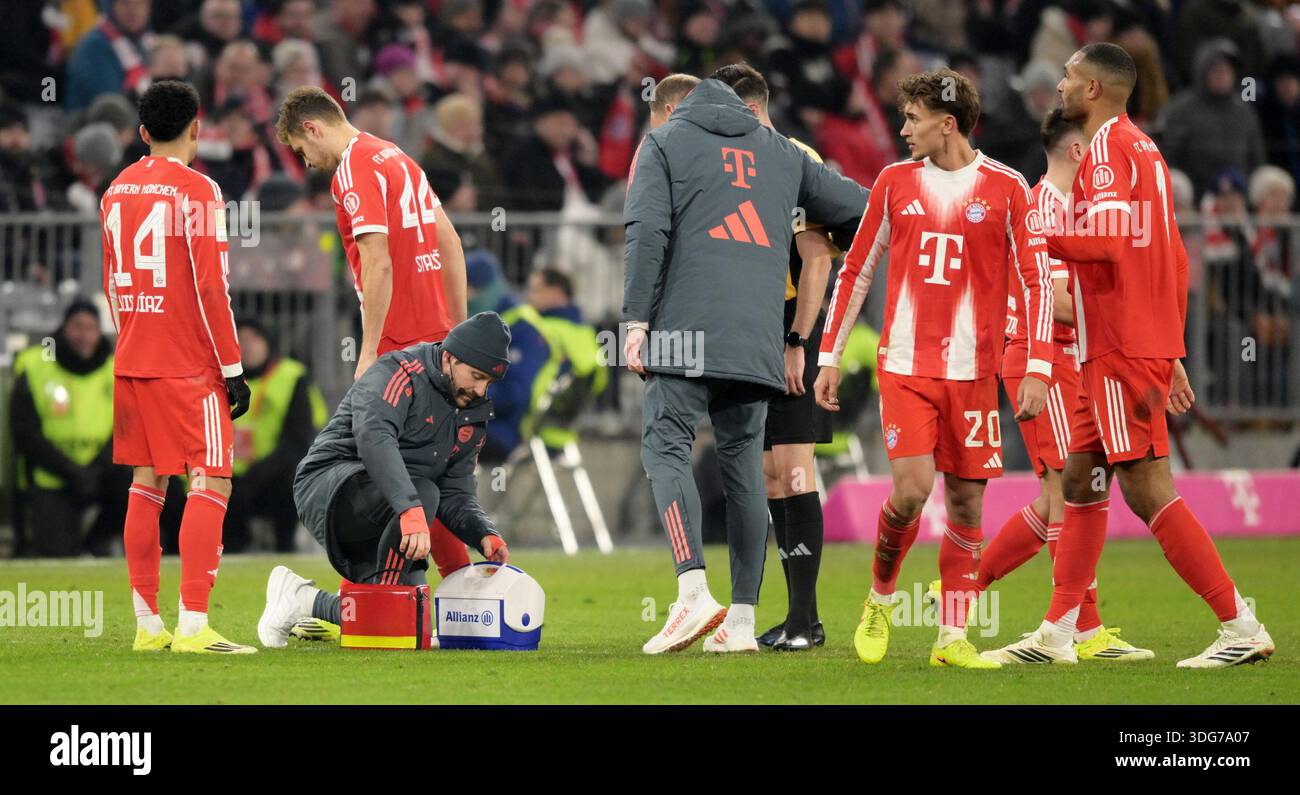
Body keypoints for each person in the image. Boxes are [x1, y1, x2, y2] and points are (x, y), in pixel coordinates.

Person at [986, 43, 1274, 668]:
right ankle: (1060, 631)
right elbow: (1172, 254)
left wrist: (1039, 235)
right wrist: (1171, 350)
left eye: (1067, 74)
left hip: (1117, 347)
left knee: (1147, 492)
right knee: (1082, 484)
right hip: (1125, 347)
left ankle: (1239, 623)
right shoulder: (1144, 148)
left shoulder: (1107, 152)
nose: (1059, 82)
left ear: (1093, 89)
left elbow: (1112, 244)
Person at [814, 67, 1055, 669]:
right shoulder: (894, 183)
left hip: (975, 373)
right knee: (912, 493)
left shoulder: (1006, 187)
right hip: (906, 366)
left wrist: (1037, 366)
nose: (902, 130)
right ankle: (881, 596)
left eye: (912, 119)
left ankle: (952, 641)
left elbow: (1036, 281)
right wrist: (828, 356)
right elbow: (857, 270)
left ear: (947, 124)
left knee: (968, 506)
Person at [624, 71, 866, 655]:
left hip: (684, 331)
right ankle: (740, 619)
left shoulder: (664, 143)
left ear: (675, 106)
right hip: (760, 338)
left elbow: (647, 232)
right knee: (743, 468)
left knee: (666, 448)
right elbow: (861, 205)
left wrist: (634, 322)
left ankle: (690, 590)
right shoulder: (782, 151)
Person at [944, 108, 1153, 661]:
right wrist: (1123, 319)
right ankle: (1081, 631)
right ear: (1078, 152)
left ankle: (967, 590)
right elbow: (1057, 304)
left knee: (1054, 498)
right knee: (1067, 494)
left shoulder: (1061, 205)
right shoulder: (1043, 207)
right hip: (1045, 358)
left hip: (1064, 360)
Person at [274, 85, 473, 580]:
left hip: (398, 347)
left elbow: (377, 261)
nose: (309, 163)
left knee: (376, 473)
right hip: (439, 343)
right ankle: (461, 586)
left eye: (303, 151)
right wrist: (459, 332)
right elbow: (449, 242)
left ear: (313, 128)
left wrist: (368, 354)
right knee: (428, 470)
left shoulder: (353, 168)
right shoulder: (398, 156)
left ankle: (358, 593)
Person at [711, 62, 866, 651]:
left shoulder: (790, 157)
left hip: (793, 323)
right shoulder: (747, 160)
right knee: (774, 473)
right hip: (761, 325)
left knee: (795, 467)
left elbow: (818, 258)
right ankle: (799, 616)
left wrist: (799, 341)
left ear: (748, 110)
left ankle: (807, 619)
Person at [102, 79, 254, 654]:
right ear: (197, 127)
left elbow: (111, 281)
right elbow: (211, 285)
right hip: (188, 364)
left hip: (133, 356)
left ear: (143, 132)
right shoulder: (199, 190)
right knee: (210, 478)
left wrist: (134, 341)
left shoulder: (114, 190)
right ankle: (193, 626)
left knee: (147, 483)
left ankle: (148, 627)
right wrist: (232, 367)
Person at [257, 313, 512, 648]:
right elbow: (373, 438)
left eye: (489, 383)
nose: (480, 390)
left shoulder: (473, 410)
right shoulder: (399, 372)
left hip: (395, 504)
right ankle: (381, 604)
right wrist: (409, 508)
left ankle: (301, 600)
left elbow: (456, 489)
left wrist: (483, 534)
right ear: (450, 357)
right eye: (476, 376)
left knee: (412, 622)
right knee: (424, 491)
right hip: (329, 483)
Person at [10, 300, 126, 558]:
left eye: (91, 328)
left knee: (139, 487)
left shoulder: (116, 368)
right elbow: (26, 434)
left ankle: (97, 541)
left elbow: (127, 426)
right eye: (77, 327)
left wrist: (96, 469)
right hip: (52, 478)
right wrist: (72, 471)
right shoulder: (35, 366)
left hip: (102, 473)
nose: (83, 335)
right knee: (59, 556)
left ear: (99, 332)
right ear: (63, 329)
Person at [224, 318, 329, 553]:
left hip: (270, 474)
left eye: (254, 339)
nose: (248, 346)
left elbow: (297, 440)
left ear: (267, 342)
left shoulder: (291, 376)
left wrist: (258, 473)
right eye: (240, 340)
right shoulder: (216, 376)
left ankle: (285, 549)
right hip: (224, 475)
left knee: (293, 476)